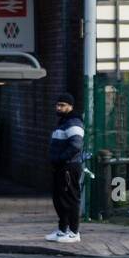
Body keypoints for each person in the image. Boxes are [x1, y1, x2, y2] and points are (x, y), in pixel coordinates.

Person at [48, 93, 84, 243]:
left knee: (70, 199)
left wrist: (61, 159)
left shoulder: (73, 122)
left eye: (62, 105)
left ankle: (74, 232)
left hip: (69, 167)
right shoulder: (63, 122)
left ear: (70, 107)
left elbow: (76, 145)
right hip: (61, 167)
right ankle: (62, 230)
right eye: (57, 105)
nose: (59, 108)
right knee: (59, 200)